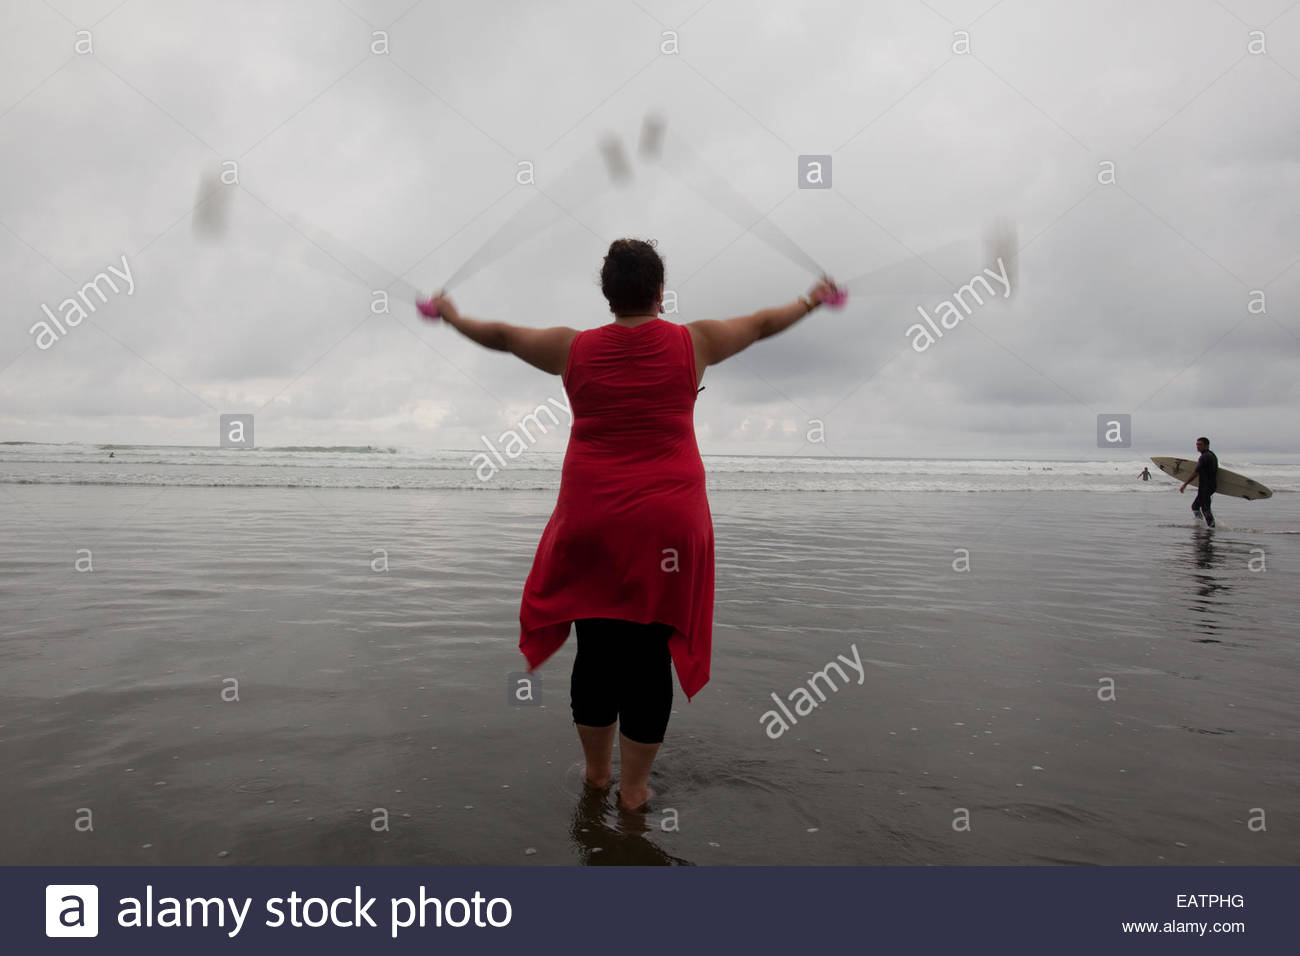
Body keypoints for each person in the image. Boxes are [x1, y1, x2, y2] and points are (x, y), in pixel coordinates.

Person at [426, 238, 839, 811]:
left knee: (595, 647)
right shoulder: (693, 342)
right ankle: (635, 791)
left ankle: (597, 776)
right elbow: (765, 324)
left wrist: (451, 317)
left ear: (607, 293)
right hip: (668, 522)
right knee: (650, 652)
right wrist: (811, 300)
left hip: (592, 518)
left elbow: (500, 337)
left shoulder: (572, 349)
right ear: (660, 293)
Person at [1179, 436, 1218, 528]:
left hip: (1206, 486)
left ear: (1207, 445)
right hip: (1209, 486)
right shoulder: (1211, 455)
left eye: (1200, 444)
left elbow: (1196, 472)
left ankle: (1211, 528)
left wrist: (1185, 484)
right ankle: (1203, 525)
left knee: (1204, 508)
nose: (1197, 446)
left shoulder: (1204, 457)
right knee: (1196, 506)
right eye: (1197, 444)